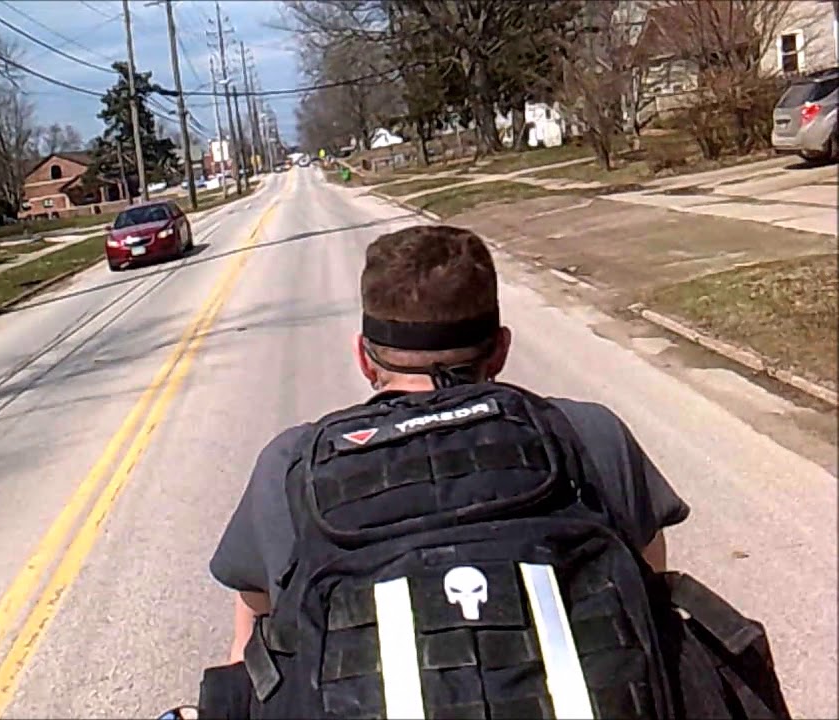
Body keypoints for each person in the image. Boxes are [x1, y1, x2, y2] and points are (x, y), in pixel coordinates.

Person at [209, 224, 689, 665]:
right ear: (501, 349)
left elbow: (248, 657)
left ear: (363, 357)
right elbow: (653, 611)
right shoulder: (589, 435)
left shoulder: (289, 468)